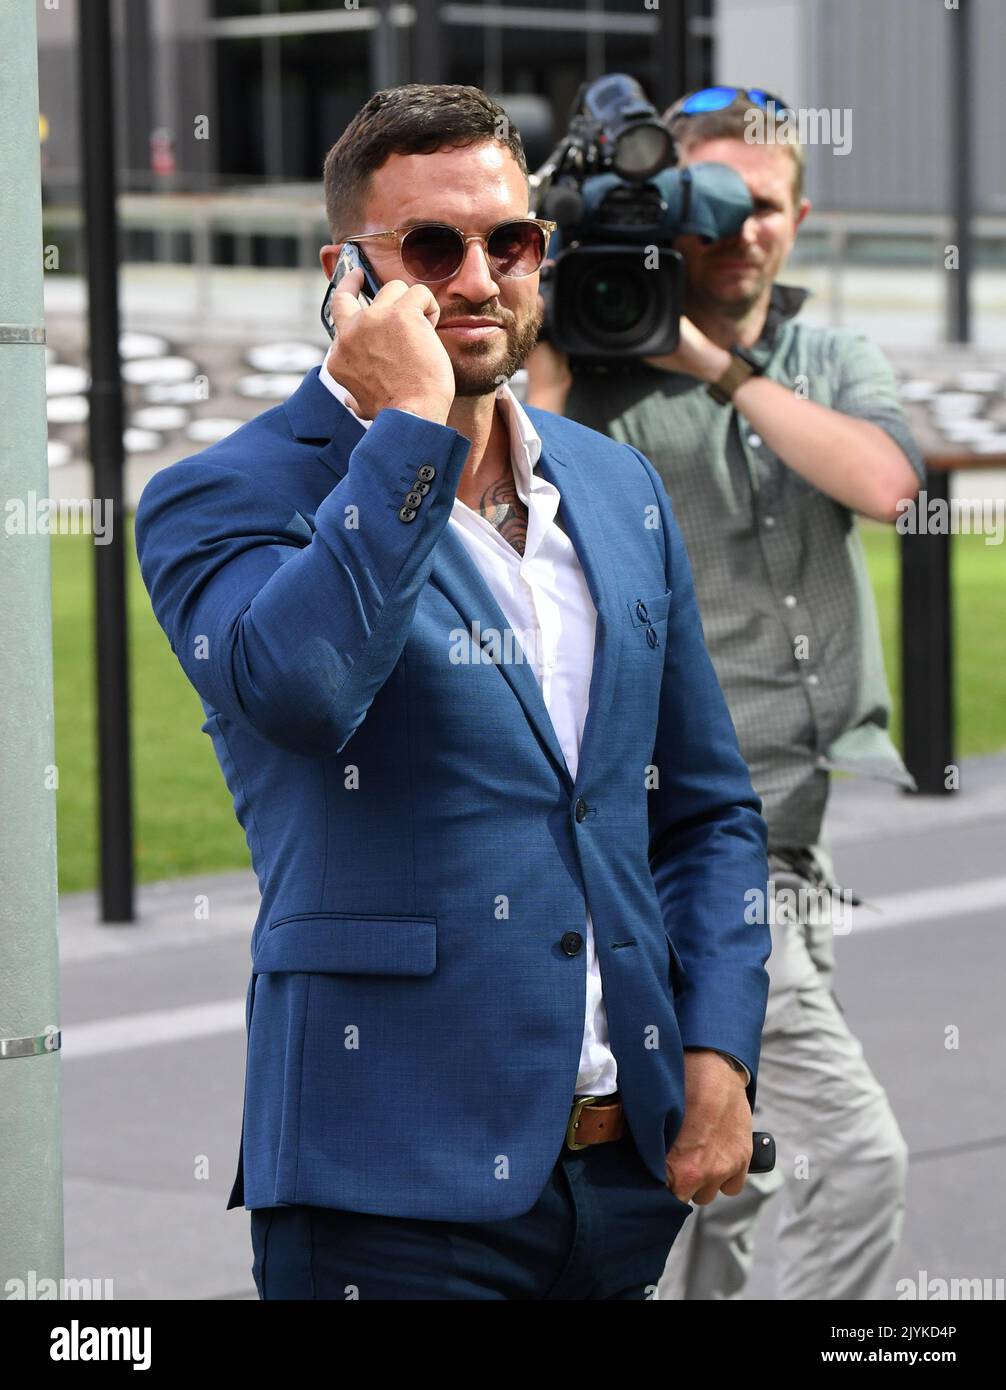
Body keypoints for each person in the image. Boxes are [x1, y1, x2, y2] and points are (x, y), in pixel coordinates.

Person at [134, 84, 771, 1301]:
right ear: (346, 276)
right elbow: (304, 693)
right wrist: (411, 426)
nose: (479, 278)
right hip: (386, 1193)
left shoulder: (616, 488)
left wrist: (718, 1048)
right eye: (432, 248)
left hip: (620, 1180)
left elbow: (704, 810)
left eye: (510, 240)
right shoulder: (223, 494)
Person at [527, 87, 921, 1302]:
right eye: (709, 208)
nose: (739, 233)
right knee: (854, 1158)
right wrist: (553, 321)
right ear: (658, 219)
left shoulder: (822, 359)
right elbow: (500, 518)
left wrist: (709, 364)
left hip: (795, 845)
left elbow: (885, 483)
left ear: (801, 217)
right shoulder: (588, 384)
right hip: (687, 847)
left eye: (765, 209)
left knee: (720, 1171)